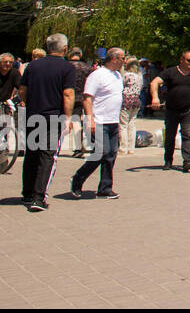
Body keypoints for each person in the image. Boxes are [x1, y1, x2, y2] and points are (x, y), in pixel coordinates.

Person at [18, 33, 76, 211]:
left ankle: (27, 193)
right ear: (65, 49)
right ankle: (38, 197)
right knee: (47, 156)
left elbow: (22, 89)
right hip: (53, 116)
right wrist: (68, 117)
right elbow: (68, 94)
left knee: (32, 154)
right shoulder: (67, 68)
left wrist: (30, 104)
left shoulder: (33, 65)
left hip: (33, 114)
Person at [71, 47, 125, 199]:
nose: (124, 61)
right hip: (99, 121)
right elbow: (87, 98)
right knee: (101, 153)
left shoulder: (117, 76)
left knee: (111, 155)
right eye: (122, 58)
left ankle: (105, 188)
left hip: (113, 121)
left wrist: (118, 124)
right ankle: (78, 179)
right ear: (113, 59)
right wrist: (90, 119)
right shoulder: (97, 75)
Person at [150, 51, 190, 172]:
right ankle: (168, 161)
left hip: (188, 110)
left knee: (187, 135)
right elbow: (155, 82)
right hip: (172, 110)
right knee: (170, 137)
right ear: (181, 60)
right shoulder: (171, 72)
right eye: (189, 60)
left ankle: (187, 162)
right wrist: (155, 97)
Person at [119, 57, 144, 154]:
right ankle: (131, 148)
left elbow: (121, 85)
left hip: (126, 99)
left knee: (123, 125)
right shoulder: (139, 76)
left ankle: (123, 147)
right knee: (132, 124)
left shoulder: (126, 75)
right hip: (136, 99)